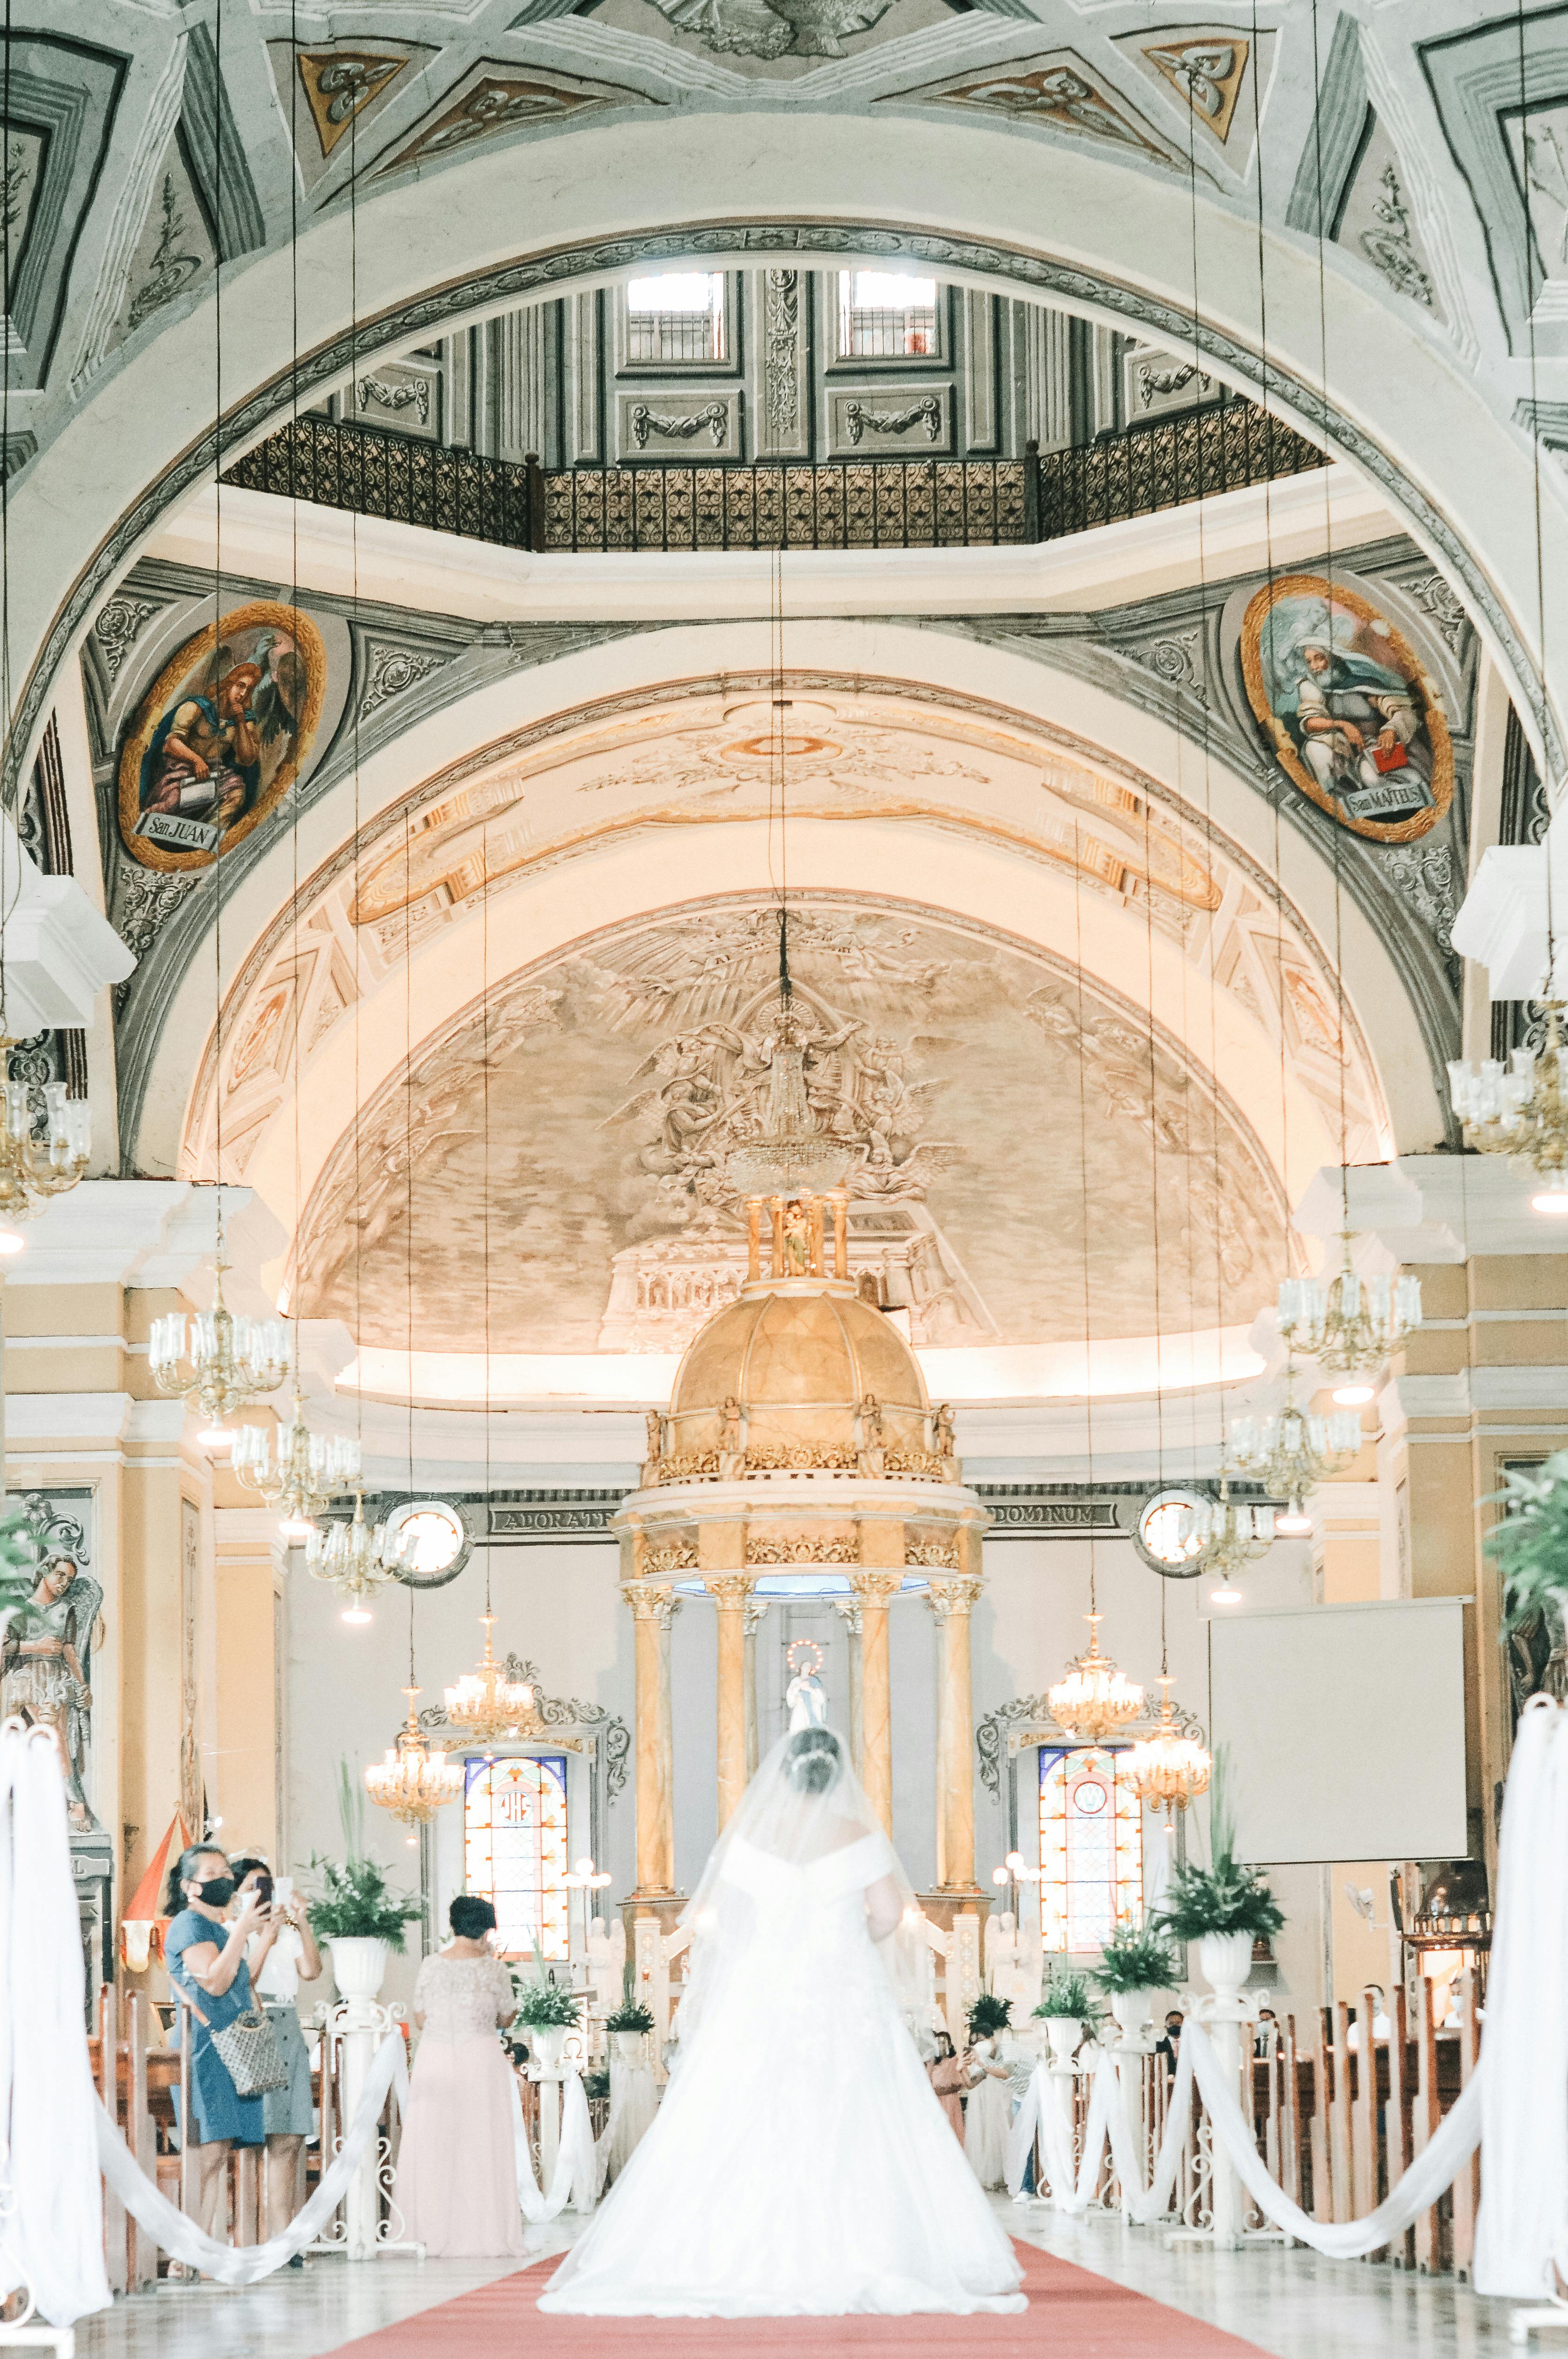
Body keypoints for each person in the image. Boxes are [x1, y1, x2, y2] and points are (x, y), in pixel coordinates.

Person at [539, 1715, 1025, 2316]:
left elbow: (727, 1923)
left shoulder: (754, 1839)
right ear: (838, 1775)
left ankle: (725, 2251)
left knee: (749, 2108)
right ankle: (876, 2249)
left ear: (785, 1775)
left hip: (765, 1991)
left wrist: (771, 1951)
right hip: (843, 1990)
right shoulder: (855, 1834)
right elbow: (885, 1913)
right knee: (860, 2110)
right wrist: (846, 1937)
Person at [393, 1895, 523, 2259]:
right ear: (487, 1928)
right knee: (481, 2144)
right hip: (480, 2059)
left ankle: (426, 2231)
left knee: (433, 2142)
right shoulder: (493, 1969)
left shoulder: (432, 1964)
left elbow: (420, 2018)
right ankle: (483, 2232)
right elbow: (506, 2017)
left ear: (453, 1925)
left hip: (435, 2058)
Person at [162, 1845, 268, 2248]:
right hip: (205, 2044)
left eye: (226, 1869)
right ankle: (186, 2249)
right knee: (206, 2149)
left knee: (221, 2147)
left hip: (235, 2041)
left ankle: (202, 2246)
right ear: (190, 1885)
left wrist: (262, 1934)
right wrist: (242, 1928)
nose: (223, 1877)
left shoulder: (221, 1929)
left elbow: (243, 1982)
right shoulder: (188, 1924)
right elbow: (215, 1981)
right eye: (212, 1872)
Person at [229, 1857, 323, 2254]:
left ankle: (282, 2233)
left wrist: (301, 1922)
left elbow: (312, 1971)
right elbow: (243, 1978)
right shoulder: (235, 1933)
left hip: (287, 2022)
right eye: (255, 1886)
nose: (263, 1893)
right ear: (239, 1895)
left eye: (268, 1886)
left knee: (288, 2134)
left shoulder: (284, 1932)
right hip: (255, 2021)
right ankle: (249, 2234)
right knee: (256, 2133)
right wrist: (263, 1933)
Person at [963, 2035, 1012, 2189]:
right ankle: (998, 2172)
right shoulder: (996, 2051)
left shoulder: (979, 2052)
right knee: (994, 2132)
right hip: (991, 2094)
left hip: (984, 2093)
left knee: (984, 2132)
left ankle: (987, 2172)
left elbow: (972, 2081)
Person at [927, 2029, 965, 2143]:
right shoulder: (932, 2063)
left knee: (951, 2128)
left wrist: (945, 2090)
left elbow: (961, 2083)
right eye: (938, 2043)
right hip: (935, 2100)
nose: (941, 2046)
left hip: (950, 2100)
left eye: (944, 2043)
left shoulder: (954, 2061)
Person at [1156, 2009, 1184, 2075]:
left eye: (1178, 2023)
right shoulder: (1158, 2046)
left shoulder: (1190, 2045)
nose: (1175, 2026)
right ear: (1166, 2026)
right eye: (1171, 2023)